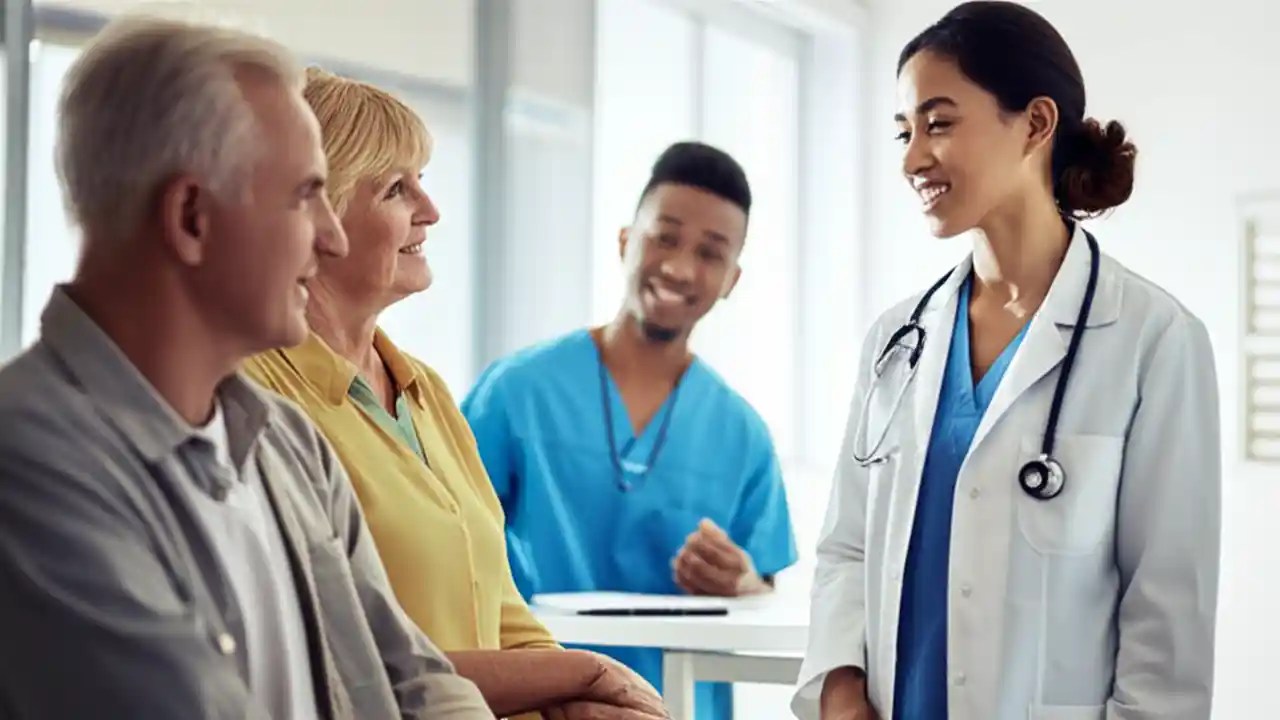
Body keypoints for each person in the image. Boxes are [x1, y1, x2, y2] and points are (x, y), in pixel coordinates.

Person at [0, 15, 500, 720]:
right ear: (192, 217)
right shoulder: (30, 463)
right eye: (304, 196)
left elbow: (413, 681)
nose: (327, 235)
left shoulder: (288, 448)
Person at [794, 3, 1221, 720]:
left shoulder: (1155, 340)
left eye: (938, 123)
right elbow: (846, 550)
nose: (911, 158)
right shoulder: (898, 340)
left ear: (1035, 123)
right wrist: (841, 696)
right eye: (904, 131)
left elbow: (1167, 620)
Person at [241, 68, 666, 720]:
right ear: (315, 216)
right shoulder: (257, 397)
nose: (430, 211)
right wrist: (582, 673)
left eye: (424, 182)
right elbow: (330, 664)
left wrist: (581, 700)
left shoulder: (425, 391)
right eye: (395, 189)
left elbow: (504, 617)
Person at [461, 141, 798, 720]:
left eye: (710, 253)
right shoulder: (516, 392)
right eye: (664, 237)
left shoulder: (742, 435)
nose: (679, 267)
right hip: (541, 705)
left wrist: (743, 582)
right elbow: (451, 541)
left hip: (679, 704)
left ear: (732, 279)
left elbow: (763, 588)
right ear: (625, 240)